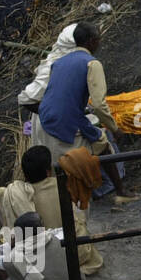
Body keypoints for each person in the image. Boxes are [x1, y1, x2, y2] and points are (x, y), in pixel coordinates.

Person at [30, 21, 124, 196]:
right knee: (103, 144)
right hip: (66, 123)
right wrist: (114, 128)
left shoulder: (58, 63)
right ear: (90, 42)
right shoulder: (92, 64)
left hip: (45, 122)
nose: (99, 43)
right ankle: (119, 190)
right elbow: (98, 105)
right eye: (98, 39)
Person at [0, 146, 104, 275]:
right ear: (48, 171)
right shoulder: (64, 184)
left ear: (24, 173)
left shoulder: (17, 192)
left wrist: (8, 191)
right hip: (77, 251)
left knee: (4, 204)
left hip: (41, 257)